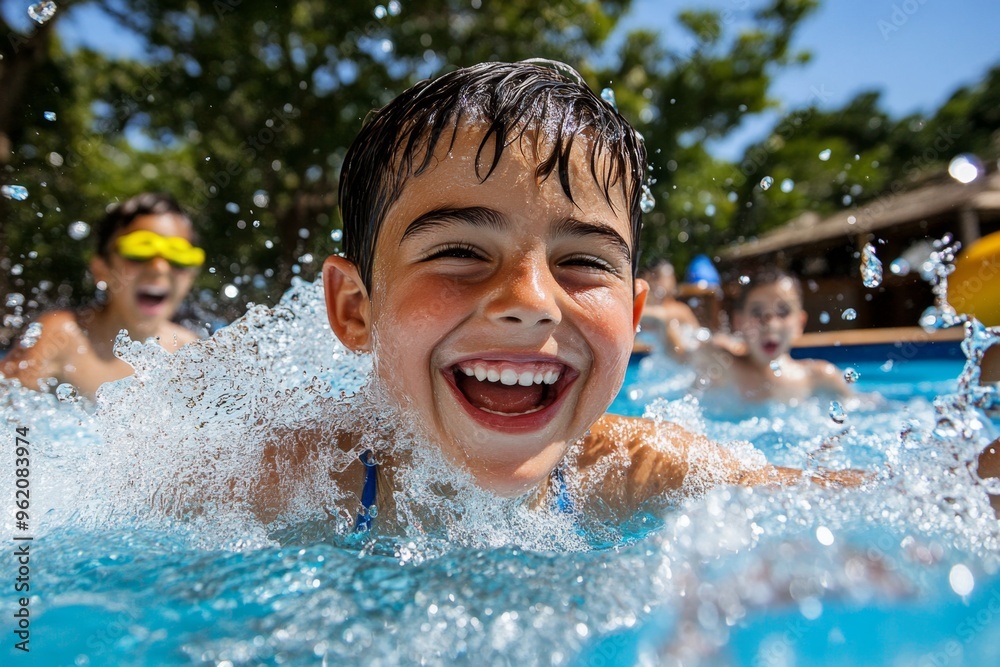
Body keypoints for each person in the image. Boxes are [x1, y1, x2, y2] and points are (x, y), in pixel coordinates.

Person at [244, 60, 871, 533]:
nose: (531, 299)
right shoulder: (288, 480)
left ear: (630, 317)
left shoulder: (636, 473)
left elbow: (885, 505)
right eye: (460, 253)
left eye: (582, 261)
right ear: (356, 309)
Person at [1, 192, 203, 400]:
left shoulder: (191, 356)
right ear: (101, 269)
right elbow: (11, 417)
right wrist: (22, 434)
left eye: (179, 256)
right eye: (140, 250)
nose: (159, 268)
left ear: (192, 275)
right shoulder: (62, 337)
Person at [667, 267, 852, 404]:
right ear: (738, 322)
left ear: (800, 323)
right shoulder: (723, 363)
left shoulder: (820, 379)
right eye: (757, 312)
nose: (770, 324)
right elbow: (679, 354)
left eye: (783, 311)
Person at [637, 261, 700, 356]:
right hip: (654, 359)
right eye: (656, 277)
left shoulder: (681, 310)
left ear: (673, 280)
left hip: (677, 358)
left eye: (662, 278)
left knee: (668, 324)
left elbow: (697, 336)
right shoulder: (650, 308)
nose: (659, 282)